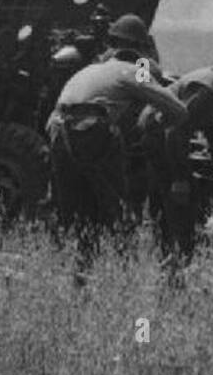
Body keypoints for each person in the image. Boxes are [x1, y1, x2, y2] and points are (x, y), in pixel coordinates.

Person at [46, 15, 190, 252]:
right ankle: (123, 261)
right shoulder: (137, 70)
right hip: (93, 130)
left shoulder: (91, 69)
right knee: (115, 206)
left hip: (58, 131)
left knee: (77, 209)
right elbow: (178, 110)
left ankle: (80, 265)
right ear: (141, 49)